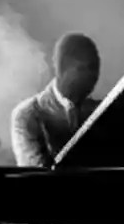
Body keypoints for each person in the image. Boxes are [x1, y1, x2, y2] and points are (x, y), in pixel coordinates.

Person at [11, 33, 101, 167]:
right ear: (61, 69)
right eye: (82, 69)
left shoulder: (99, 111)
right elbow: (34, 173)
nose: (92, 76)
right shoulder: (28, 115)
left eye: (94, 68)